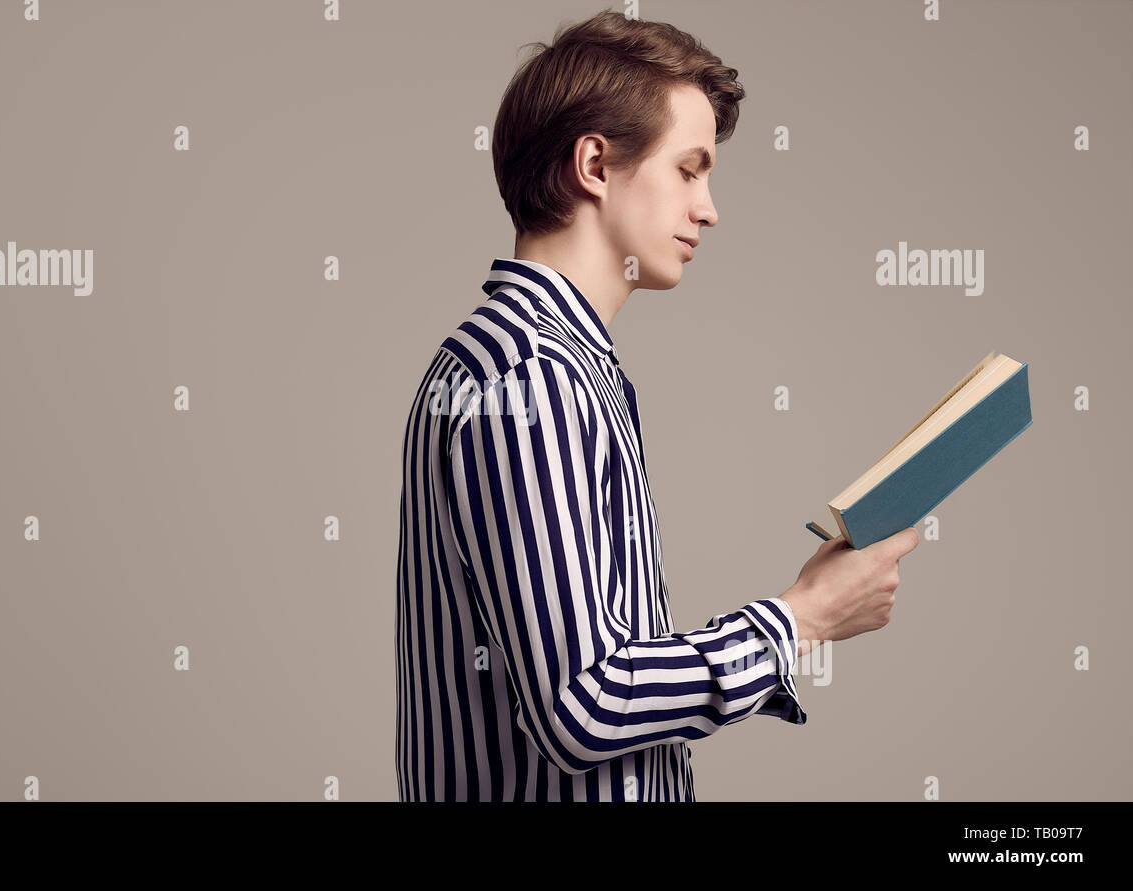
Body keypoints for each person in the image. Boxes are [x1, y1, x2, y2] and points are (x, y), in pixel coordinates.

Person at [393, 8, 919, 802]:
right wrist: (801, 619)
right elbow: (582, 704)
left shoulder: (545, 365)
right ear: (595, 165)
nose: (709, 208)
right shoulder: (529, 380)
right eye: (689, 168)